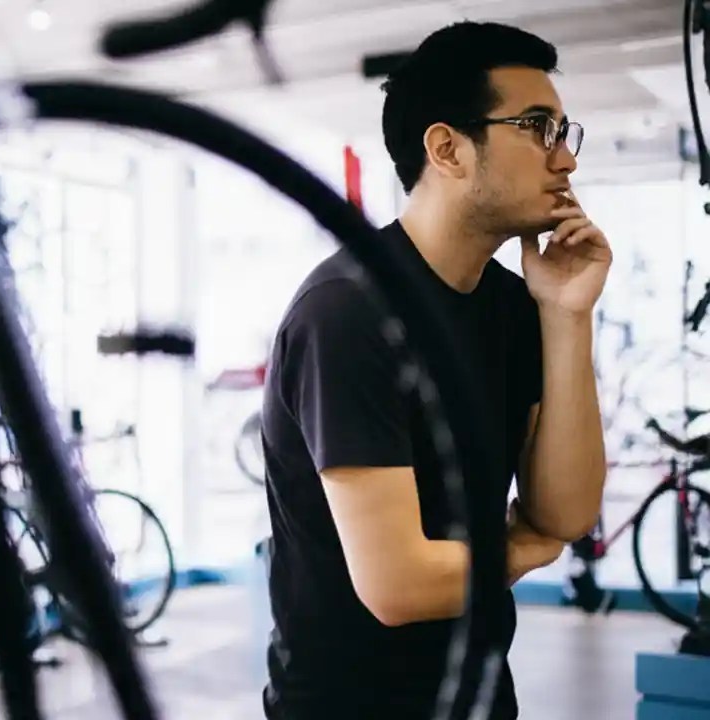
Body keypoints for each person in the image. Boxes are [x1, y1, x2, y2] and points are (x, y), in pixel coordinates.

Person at [260, 21, 610, 719]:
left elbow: (564, 512)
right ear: (447, 148)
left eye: (564, 133)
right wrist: (518, 552)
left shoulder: (514, 303)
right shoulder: (350, 313)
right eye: (537, 127)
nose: (564, 160)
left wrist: (568, 313)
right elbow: (397, 585)